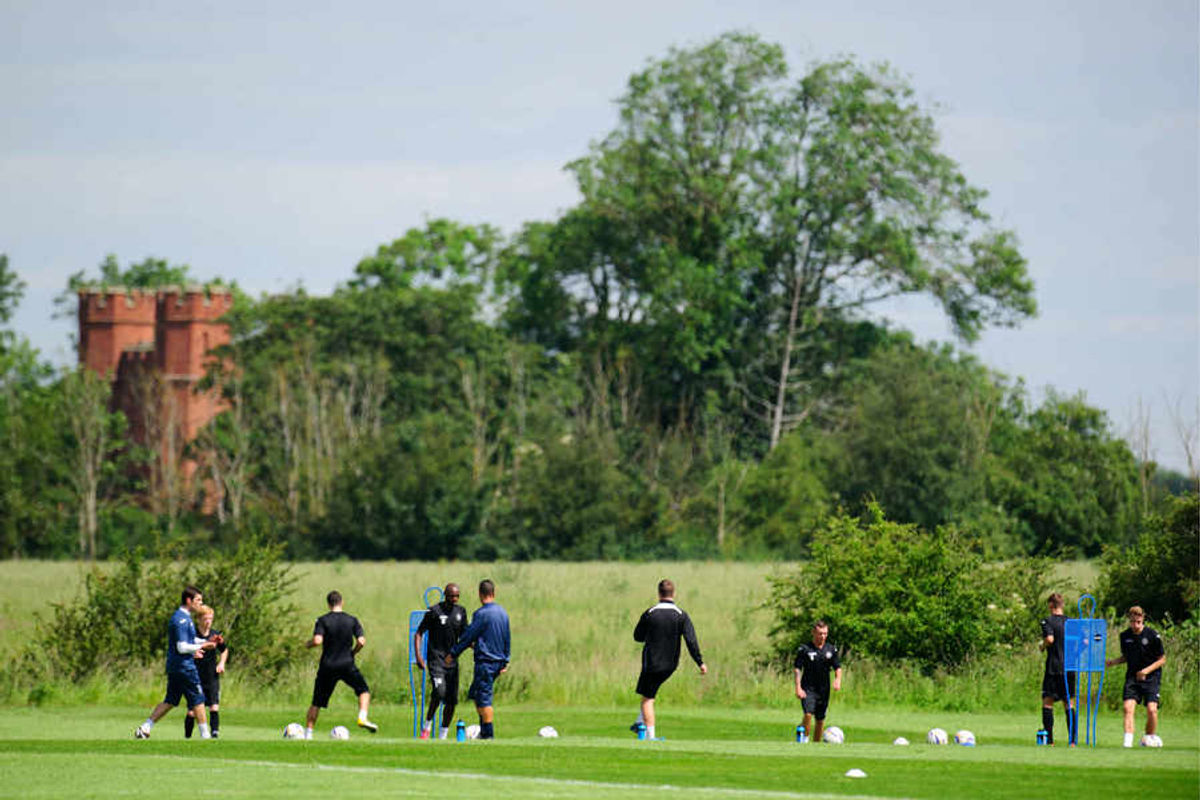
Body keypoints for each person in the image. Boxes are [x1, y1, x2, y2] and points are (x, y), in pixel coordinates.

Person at [134, 586, 220, 739]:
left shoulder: (186, 618)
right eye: (198, 600)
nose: (201, 603)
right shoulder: (181, 619)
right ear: (188, 601)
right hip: (184, 666)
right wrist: (202, 646)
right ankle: (205, 735)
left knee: (171, 700)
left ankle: (145, 727)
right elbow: (182, 647)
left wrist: (207, 641)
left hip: (176, 666)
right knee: (199, 698)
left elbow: (190, 640)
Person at [631, 579, 706, 741]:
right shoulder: (681, 615)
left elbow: (637, 636)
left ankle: (649, 736)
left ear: (659, 593)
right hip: (671, 664)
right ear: (674, 594)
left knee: (647, 699)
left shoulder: (650, 613)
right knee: (650, 692)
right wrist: (700, 662)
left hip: (651, 663)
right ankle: (639, 722)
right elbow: (691, 640)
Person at [304, 590, 379, 740]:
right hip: (346, 664)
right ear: (342, 602)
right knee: (363, 690)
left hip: (327, 666)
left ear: (328, 604)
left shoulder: (322, 620)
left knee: (317, 702)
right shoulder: (352, 620)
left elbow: (317, 640)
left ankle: (308, 734)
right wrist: (353, 652)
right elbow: (361, 641)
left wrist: (308, 644)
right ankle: (362, 717)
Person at [446, 579, 510, 740]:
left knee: (484, 698)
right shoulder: (503, 613)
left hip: (486, 662)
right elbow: (507, 637)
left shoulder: (481, 614)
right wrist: (506, 660)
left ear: (480, 594)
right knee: (475, 694)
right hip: (498, 661)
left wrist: (453, 653)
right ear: (493, 594)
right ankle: (483, 729)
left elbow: (468, 637)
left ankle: (488, 734)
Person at [1105, 605, 1166, 748]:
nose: (1135, 625)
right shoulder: (1124, 636)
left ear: (1143, 619)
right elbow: (1127, 656)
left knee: (1152, 709)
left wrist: (1146, 671)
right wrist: (1113, 662)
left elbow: (1162, 659)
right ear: (1129, 620)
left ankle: (1148, 737)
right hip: (1132, 677)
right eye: (1132, 622)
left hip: (1151, 678)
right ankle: (1127, 744)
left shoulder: (1152, 635)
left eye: (1138, 622)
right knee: (1128, 708)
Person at [415, 582, 467, 739]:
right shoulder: (434, 611)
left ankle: (443, 735)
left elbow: (466, 636)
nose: (455, 599)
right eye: (452, 596)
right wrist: (419, 656)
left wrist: (477, 646)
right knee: (439, 691)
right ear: (445, 595)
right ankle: (427, 726)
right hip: (436, 659)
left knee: (451, 701)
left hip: (452, 661)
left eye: (457, 596)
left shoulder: (461, 612)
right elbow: (419, 633)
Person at [793, 620, 842, 743]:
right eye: (820, 633)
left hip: (824, 689)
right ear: (813, 633)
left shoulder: (831, 649)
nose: (823, 636)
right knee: (808, 714)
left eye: (825, 633)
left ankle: (816, 745)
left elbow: (837, 667)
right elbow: (797, 668)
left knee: (820, 719)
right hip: (808, 687)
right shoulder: (804, 649)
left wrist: (837, 680)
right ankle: (805, 738)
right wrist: (798, 687)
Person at [185, 604, 229, 739]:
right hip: (195, 676)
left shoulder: (215, 635)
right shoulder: (192, 634)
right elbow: (184, 650)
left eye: (210, 619)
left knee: (214, 706)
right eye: (205, 619)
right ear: (198, 619)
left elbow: (224, 650)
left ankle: (215, 734)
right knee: (192, 711)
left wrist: (221, 663)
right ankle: (187, 737)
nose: (208, 622)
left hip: (211, 676)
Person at [1038, 592, 1076, 745]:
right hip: (1070, 667)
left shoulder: (1047, 621)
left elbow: (1049, 639)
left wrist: (1042, 646)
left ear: (1050, 605)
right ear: (1062, 605)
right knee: (1069, 703)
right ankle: (1072, 741)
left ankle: (1050, 740)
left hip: (1054, 667)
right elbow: (1085, 642)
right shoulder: (1071, 622)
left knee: (1048, 701)